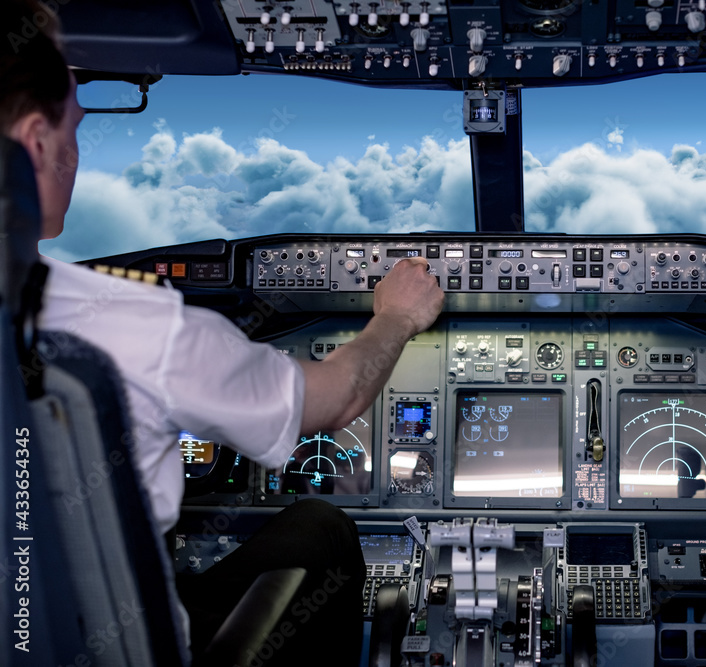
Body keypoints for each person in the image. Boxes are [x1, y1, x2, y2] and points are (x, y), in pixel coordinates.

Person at [1, 1, 445, 663]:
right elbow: (337, 398)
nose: (74, 150)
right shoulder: (135, 326)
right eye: (75, 126)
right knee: (321, 526)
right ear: (37, 143)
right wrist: (397, 316)